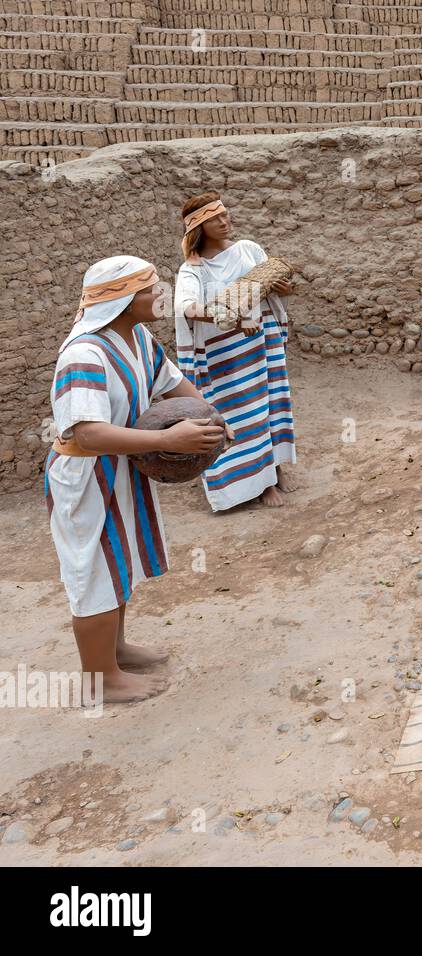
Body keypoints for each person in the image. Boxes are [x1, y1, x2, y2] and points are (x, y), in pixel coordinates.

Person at [46, 256, 234, 703]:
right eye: (152, 289)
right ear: (123, 298)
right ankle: (100, 679)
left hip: (120, 468)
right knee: (93, 570)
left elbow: (172, 384)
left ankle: (115, 651)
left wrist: (213, 419)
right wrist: (171, 437)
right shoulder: (84, 355)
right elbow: (86, 432)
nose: (161, 296)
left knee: (118, 561)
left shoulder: (138, 338)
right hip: (88, 476)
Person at [173, 191, 298, 510]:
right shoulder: (193, 269)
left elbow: (270, 288)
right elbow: (186, 308)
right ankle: (255, 483)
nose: (226, 221)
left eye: (226, 214)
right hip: (225, 356)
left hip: (261, 342)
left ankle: (274, 470)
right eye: (216, 218)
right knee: (242, 413)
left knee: (268, 405)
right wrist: (228, 315)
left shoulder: (248, 250)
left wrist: (284, 289)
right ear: (198, 228)